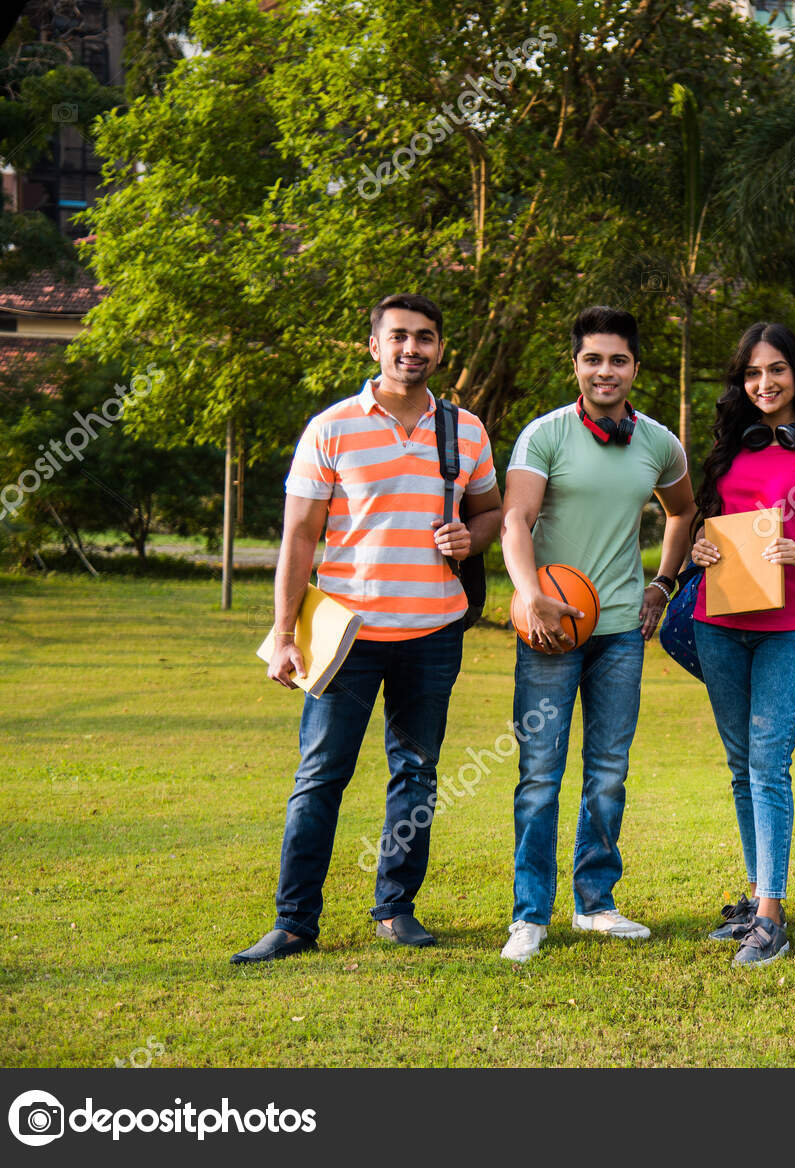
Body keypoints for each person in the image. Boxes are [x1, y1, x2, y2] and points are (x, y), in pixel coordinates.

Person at [234, 293, 502, 964]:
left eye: (426, 337)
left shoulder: (466, 430)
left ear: (440, 349)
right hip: (346, 635)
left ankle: (395, 909)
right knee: (321, 775)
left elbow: (492, 513)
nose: (413, 348)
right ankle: (294, 922)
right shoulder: (331, 428)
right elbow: (300, 536)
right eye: (400, 336)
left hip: (434, 632)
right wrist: (285, 633)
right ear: (375, 346)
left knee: (416, 773)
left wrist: (471, 537)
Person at [498, 305, 697, 963]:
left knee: (608, 773)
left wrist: (662, 583)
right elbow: (515, 521)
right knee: (540, 774)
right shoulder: (545, 435)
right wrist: (530, 597)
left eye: (617, 360)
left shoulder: (660, 443)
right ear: (576, 365)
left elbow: (683, 511)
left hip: (620, 634)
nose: (604, 371)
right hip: (549, 632)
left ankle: (595, 903)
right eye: (593, 359)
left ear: (635, 368)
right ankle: (529, 915)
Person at [687, 322, 795, 966]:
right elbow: (704, 526)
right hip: (718, 622)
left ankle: (771, 915)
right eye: (753, 373)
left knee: (768, 763)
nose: (765, 383)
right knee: (741, 766)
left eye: (777, 369)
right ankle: (756, 894)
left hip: (789, 628)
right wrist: (701, 549)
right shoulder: (727, 447)